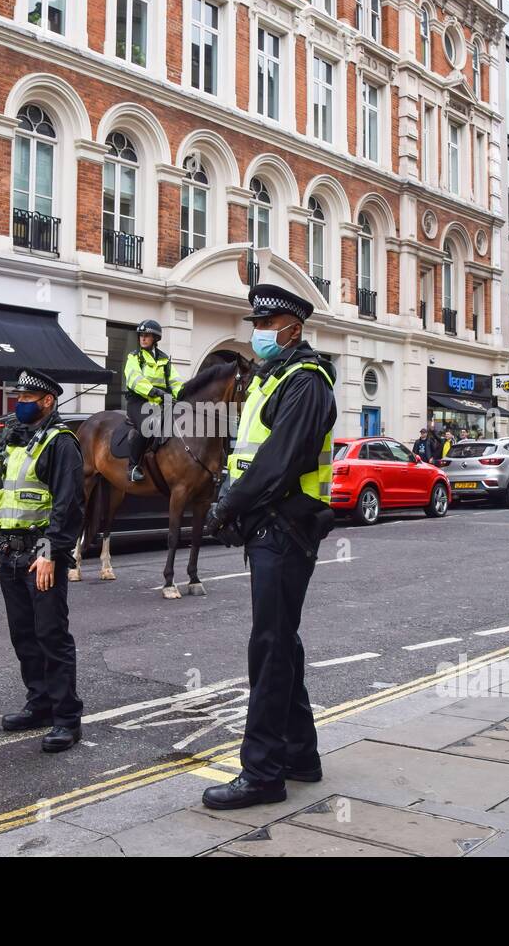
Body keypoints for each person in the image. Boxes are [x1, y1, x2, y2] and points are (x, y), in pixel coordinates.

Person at [201, 283, 337, 810]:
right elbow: (247, 453)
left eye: (267, 324)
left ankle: (262, 775)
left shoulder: (306, 383)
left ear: (293, 328)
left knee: (270, 647)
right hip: (269, 528)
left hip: (286, 529)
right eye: (255, 323)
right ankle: (301, 755)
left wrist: (227, 507)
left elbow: (277, 463)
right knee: (282, 643)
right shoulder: (272, 378)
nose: (258, 332)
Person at [0, 369, 86, 753]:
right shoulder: (15, 442)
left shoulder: (61, 443)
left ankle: (66, 719)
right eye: (18, 397)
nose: (19, 403)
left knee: (51, 636)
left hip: (40, 556)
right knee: (23, 635)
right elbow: (7, 499)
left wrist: (49, 555)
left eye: (27, 398)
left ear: (47, 401)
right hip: (11, 554)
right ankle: (39, 703)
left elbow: (68, 506)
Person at [123, 320, 184, 483]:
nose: (143, 338)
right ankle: (133, 466)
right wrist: (155, 391)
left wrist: (183, 395)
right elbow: (134, 378)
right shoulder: (134, 357)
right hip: (139, 401)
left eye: (147, 335)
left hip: (161, 402)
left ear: (155, 338)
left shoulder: (164, 360)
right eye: (141, 335)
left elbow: (175, 381)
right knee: (147, 425)